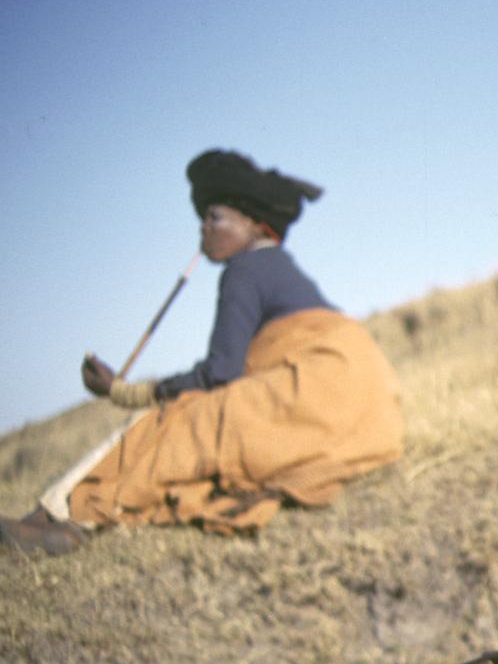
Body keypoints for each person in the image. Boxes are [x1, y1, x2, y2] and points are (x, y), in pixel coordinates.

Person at [1, 149, 404, 554]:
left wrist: (121, 393)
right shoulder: (281, 266)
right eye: (201, 221)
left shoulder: (244, 271)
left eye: (215, 217)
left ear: (256, 224)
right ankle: (49, 518)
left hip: (312, 400)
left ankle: (61, 518)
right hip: (371, 415)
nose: (204, 231)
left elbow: (220, 374)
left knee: (165, 422)